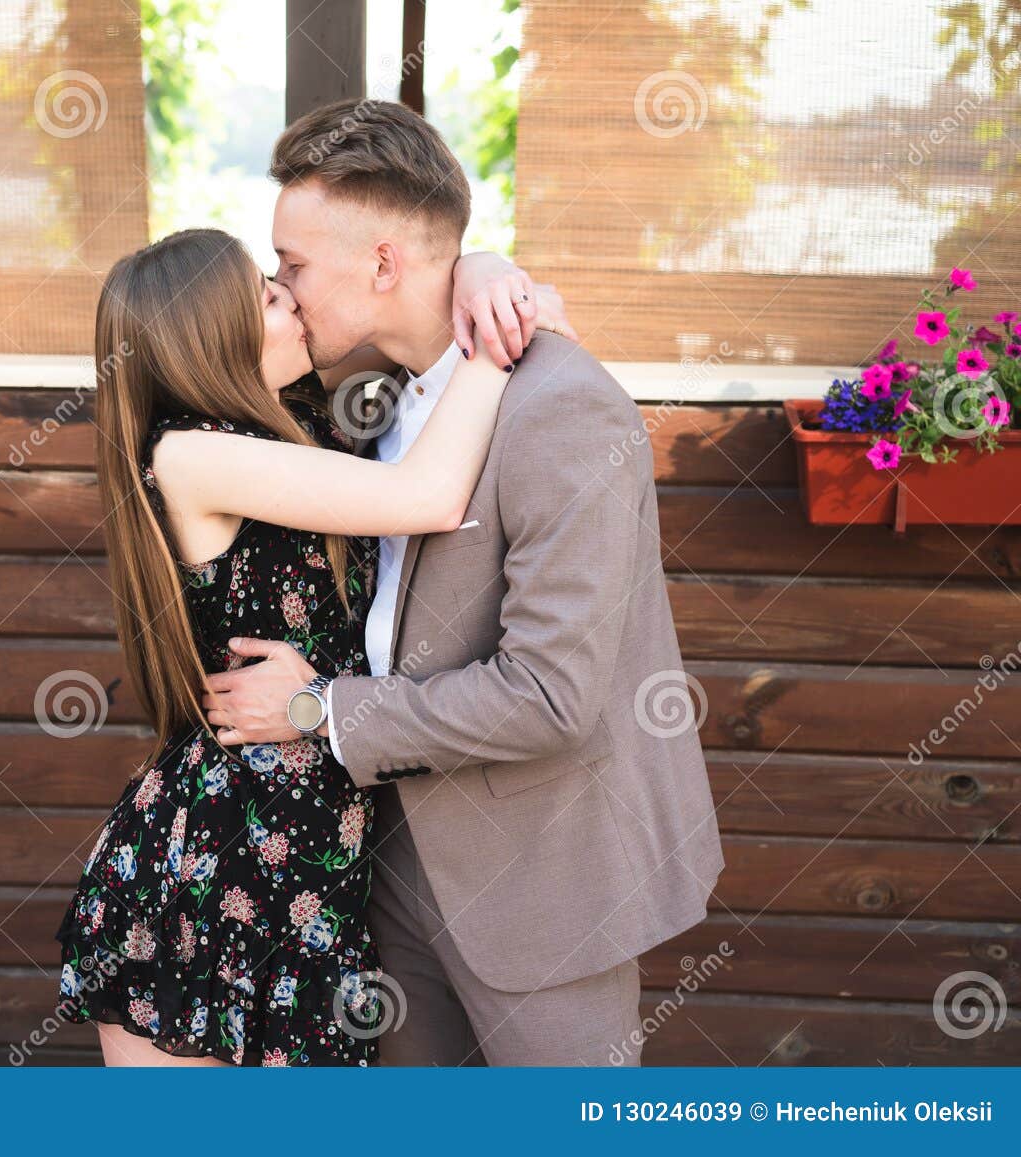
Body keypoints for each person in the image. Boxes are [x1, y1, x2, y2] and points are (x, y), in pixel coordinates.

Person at [200, 99, 726, 1066]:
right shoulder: (357, 387)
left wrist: (320, 709)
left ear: (386, 264)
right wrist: (487, 266)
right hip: (391, 863)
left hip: (545, 879)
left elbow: (552, 697)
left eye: (295, 265)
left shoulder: (565, 412)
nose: (281, 286)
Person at [53, 223, 571, 1066]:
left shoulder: (298, 424)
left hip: (309, 855)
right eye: (266, 293)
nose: (290, 298)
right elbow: (428, 494)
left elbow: (410, 282)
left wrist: (482, 272)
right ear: (210, 337)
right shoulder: (192, 455)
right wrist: (495, 343)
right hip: (218, 863)